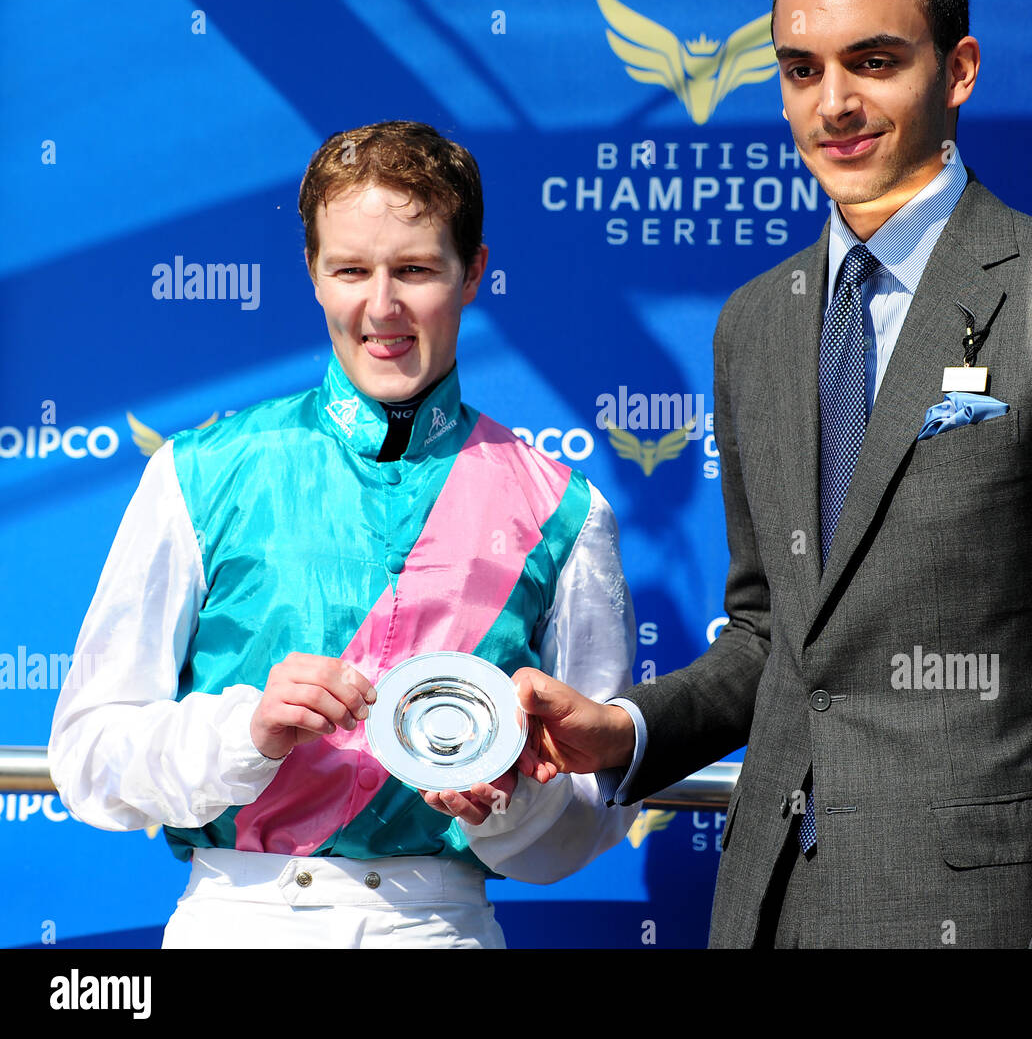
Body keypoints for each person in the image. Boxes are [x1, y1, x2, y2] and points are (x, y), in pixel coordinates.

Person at [515, 0, 1032, 948]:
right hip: (764, 907)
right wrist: (624, 727)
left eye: (873, 61)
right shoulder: (754, 321)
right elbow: (774, 638)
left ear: (958, 69)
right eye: (799, 69)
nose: (832, 104)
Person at [49, 120, 639, 948]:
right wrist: (245, 730)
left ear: (473, 273)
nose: (382, 306)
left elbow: (592, 814)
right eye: (352, 270)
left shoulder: (563, 509)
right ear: (314, 276)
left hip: (441, 924)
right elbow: (89, 759)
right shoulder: (200, 471)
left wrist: (509, 804)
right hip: (234, 920)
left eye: (416, 270)